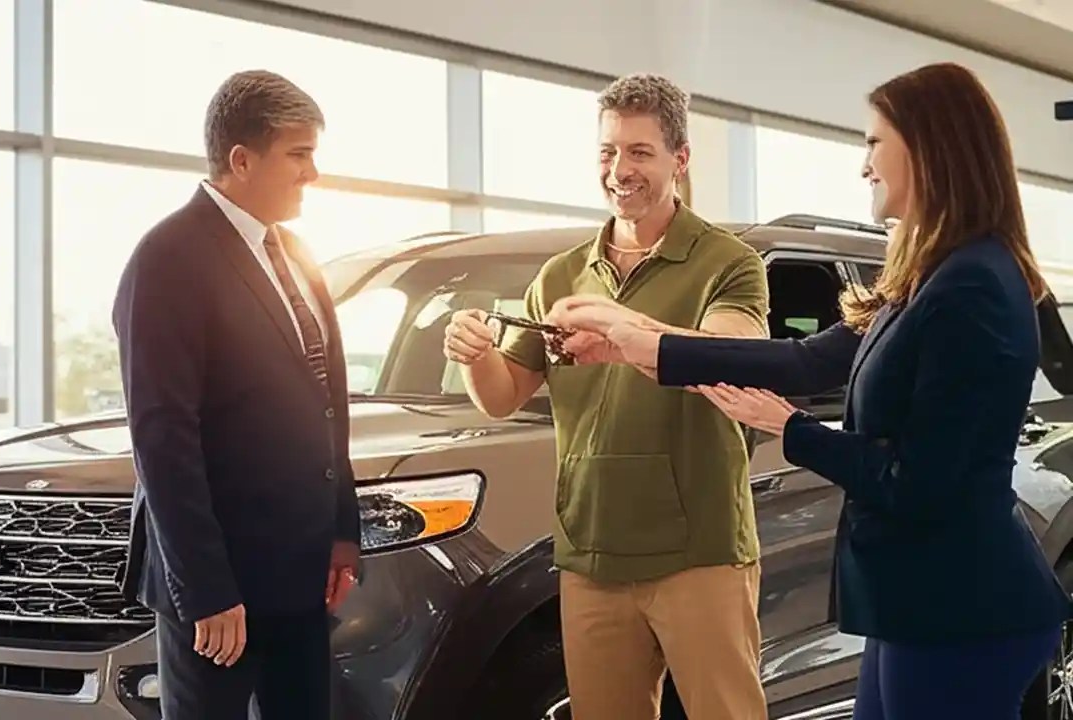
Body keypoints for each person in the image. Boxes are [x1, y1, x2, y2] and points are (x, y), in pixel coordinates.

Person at [546, 62, 1071, 720]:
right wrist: (637, 341)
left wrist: (793, 430)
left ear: (929, 147)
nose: (864, 165)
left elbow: (920, 484)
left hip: (961, 607)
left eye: (874, 142)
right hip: (918, 601)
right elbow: (806, 360)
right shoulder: (931, 275)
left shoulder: (973, 285)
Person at [443, 73, 771, 720]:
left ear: (680, 159)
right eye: (608, 152)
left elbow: (731, 355)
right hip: (591, 553)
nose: (620, 170)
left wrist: (623, 330)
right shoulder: (560, 275)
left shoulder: (729, 263)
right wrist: (474, 354)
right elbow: (503, 396)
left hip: (698, 552)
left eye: (640, 152)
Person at [112, 70, 361, 720]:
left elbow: (326, 405)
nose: (312, 173)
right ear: (242, 160)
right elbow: (163, 440)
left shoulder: (297, 252)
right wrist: (207, 591)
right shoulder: (167, 258)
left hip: (301, 577)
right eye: (299, 155)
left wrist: (342, 532)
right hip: (223, 592)